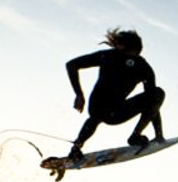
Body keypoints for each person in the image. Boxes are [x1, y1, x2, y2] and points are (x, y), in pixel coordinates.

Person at [65, 28, 165, 159]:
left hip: (115, 112)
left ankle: (135, 135)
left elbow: (153, 104)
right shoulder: (109, 56)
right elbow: (72, 65)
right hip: (103, 109)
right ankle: (76, 147)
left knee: (157, 93)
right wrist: (78, 94)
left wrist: (159, 135)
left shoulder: (141, 67)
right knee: (95, 118)